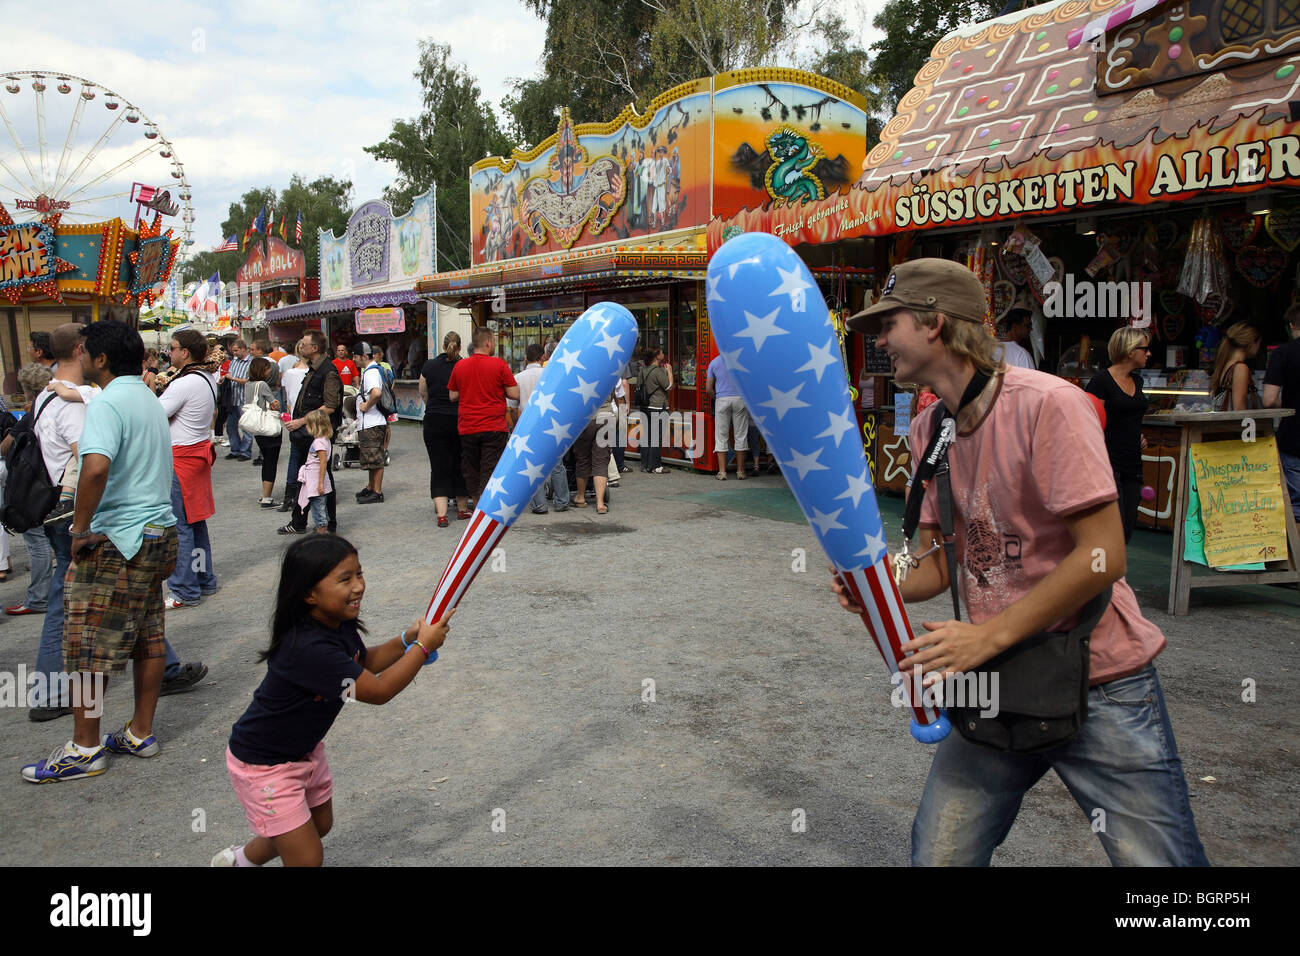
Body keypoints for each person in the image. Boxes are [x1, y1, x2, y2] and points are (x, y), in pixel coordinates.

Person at [832, 258, 1207, 866]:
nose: (876, 341)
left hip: (1098, 681)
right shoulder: (931, 425)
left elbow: (1105, 553)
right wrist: (877, 584)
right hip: (996, 684)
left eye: (888, 323)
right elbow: (936, 567)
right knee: (940, 857)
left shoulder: (1049, 404)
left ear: (934, 324)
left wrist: (985, 638)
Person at [212, 534, 453, 866]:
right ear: (309, 594)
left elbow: (363, 662)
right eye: (345, 579)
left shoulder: (338, 624)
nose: (359, 586)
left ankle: (240, 861)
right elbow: (379, 691)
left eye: (359, 573)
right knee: (308, 857)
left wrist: (407, 640)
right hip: (264, 764)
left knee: (319, 825)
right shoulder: (307, 648)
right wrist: (423, 649)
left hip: (302, 751)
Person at [20, 321, 181, 784]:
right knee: (148, 635)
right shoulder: (146, 398)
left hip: (118, 537)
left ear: (102, 359)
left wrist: (80, 527)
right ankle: (139, 732)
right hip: (157, 532)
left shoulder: (108, 402)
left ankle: (85, 747)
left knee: (87, 646)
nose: (80, 355)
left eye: (85, 350)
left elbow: (94, 470)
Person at [157, 329, 221, 609]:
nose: (169, 353)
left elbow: (155, 414)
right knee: (195, 523)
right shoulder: (206, 378)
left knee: (181, 526)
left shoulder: (183, 383)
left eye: (172, 348)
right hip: (196, 455)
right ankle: (203, 579)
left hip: (181, 457)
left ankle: (184, 589)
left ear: (185, 352)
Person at [1086, 327, 1151, 543]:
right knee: (1115, 527)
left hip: (1133, 462)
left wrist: (1138, 435)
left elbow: (1130, 417)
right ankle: (1104, 573)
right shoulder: (1101, 382)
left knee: (1128, 525)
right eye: (1145, 349)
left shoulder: (1138, 381)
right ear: (1131, 351)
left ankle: (1111, 574)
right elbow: (1089, 422)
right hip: (1108, 461)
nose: (1149, 354)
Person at [3, 363, 55, 617]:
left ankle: (38, 597)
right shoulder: (55, 405)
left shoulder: (32, 412)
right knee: (48, 539)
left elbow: (7, 446)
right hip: (52, 481)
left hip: (34, 483)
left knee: (36, 540)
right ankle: (45, 596)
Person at [280, 330, 342, 535]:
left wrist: (301, 421)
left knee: (320, 478)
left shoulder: (328, 371)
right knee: (306, 477)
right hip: (308, 431)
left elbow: (331, 405)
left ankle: (325, 524)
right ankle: (301, 521)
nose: (300, 347)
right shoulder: (314, 369)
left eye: (304, 344)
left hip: (316, 432)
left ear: (315, 348)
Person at [447, 326, 518, 500]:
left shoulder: (460, 366)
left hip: (468, 426)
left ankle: (477, 502)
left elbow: (452, 395)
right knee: (491, 468)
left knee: (471, 469)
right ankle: (486, 506)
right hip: (494, 426)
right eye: (493, 341)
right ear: (488, 343)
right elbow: (514, 394)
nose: (494, 344)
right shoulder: (499, 364)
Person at [420, 331, 472, 528]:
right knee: (461, 464)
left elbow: (423, 392)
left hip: (434, 420)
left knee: (439, 466)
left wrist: (432, 406)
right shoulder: (465, 366)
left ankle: (442, 515)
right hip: (460, 420)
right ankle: (461, 509)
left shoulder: (429, 366)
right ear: (460, 347)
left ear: (443, 346)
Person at [513, 343, 569, 516]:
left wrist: (517, 424)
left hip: (527, 425)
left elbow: (512, 406)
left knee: (532, 466)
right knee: (557, 464)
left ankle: (539, 504)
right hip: (550, 423)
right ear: (542, 357)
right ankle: (562, 500)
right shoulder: (550, 375)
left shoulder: (518, 377)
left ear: (525, 357)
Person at [1264, 303, 1300, 515]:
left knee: (1296, 505)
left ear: (1291, 325)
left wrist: (1289, 404)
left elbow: (1269, 400)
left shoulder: (1283, 353)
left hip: (1294, 437)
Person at [354, 342, 389, 504]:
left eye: (355, 356)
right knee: (371, 458)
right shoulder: (369, 371)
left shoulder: (371, 373)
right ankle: (371, 487)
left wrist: (365, 407)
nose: (354, 360)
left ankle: (377, 491)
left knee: (376, 458)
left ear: (364, 356)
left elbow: (376, 392)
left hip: (373, 422)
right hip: (370, 422)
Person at [706, 350, 750, 480]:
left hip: (722, 400)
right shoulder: (741, 361)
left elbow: (708, 388)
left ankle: (722, 472)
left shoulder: (714, 363)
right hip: (739, 399)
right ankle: (740, 471)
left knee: (721, 436)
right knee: (740, 435)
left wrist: (717, 397)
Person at [572, 390, 617, 513]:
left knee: (583, 458)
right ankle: (600, 504)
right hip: (606, 417)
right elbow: (613, 395)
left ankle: (580, 497)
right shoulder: (607, 372)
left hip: (585, 419)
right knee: (601, 460)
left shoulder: (577, 373)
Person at [246, 357, 283, 507]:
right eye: (267, 368)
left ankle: (265, 494)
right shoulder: (262, 385)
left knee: (266, 460)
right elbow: (274, 404)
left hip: (256, 427)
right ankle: (267, 497)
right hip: (267, 426)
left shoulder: (248, 384)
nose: (269, 371)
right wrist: (277, 403)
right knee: (271, 461)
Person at [1209, 322, 1262, 412]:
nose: (1259, 347)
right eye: (1259, 343)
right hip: (1240, 425)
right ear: (1252, 342)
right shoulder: (1240, 368)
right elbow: (1240, 408)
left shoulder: (1226, 365)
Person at [296, 410, 334, 533]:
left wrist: (320, 483)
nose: (306, 427)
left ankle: (321, 532)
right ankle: (322, 528)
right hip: (315, 478)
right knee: (320, 507)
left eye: (308, 425)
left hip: (316, 480)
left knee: (318, 508)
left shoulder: (319, 443)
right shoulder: (324, 440)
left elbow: (323, 462)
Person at [638, 347, 672, 474]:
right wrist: (669, 372)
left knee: (647, 435)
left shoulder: (642, 370)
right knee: (656, 437)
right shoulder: (658, 371)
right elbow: (669, 386)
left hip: (644, 406)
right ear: (657, 356)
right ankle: (655, 466)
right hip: (658, 406)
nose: (663, 354)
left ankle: (645, 464)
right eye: (662, 352)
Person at [222, 339, 254, 460]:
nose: (234, 353)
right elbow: (229, 375)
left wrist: (233, 378)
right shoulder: (233, 361)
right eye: (233, 351)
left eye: (236, 350)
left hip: (244, 399)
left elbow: (250, 380)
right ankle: (235, 449)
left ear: (243, 349)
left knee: (246, 427)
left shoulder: (251, 362)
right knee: (230, 426)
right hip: (232, 399)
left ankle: (245, 451)